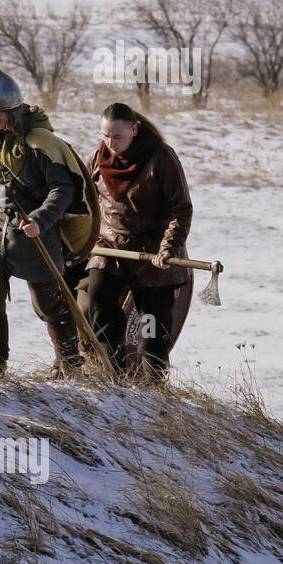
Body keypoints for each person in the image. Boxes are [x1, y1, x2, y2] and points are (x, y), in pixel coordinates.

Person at [0, 69, 91, 378]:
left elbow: (63, 189)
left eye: (2, 112)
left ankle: (69, 362)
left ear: (15, 111)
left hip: (36, 234)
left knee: (47, 304)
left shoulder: (40, 145)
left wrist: (40, 219)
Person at [83, 102, 193, 383]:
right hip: (110, 246)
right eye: (106, 135)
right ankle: (113, 376)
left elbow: (180, 209)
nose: (110, 143)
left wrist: (167, 248)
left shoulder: (160, 158)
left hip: (152, 252)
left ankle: (153, 387)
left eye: (117, 136)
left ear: (134, 129)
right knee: (98, 299)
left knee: (152, 327)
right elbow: (84, 198)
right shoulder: (98, 156)